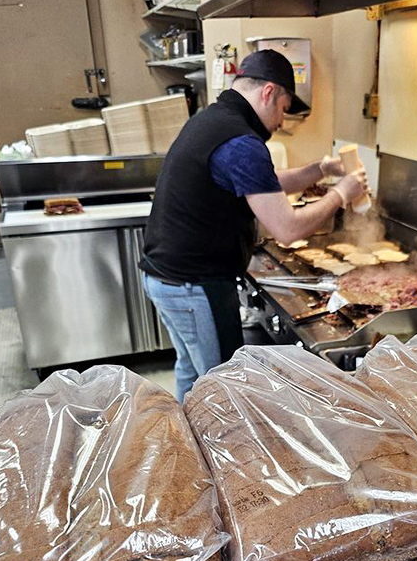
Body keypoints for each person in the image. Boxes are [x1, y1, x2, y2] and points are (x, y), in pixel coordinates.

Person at [140, 48, 368, 403]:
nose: (280, 122)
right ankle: (224, 453)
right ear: (268, 93)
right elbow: (287, 229)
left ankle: (187, 443)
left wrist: (319, 171)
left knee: (191, 370)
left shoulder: (216, 120)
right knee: (225, 388)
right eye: (283, 108)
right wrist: (341, 194)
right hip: (195, 285)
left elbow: (263, 181)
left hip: (166, 278)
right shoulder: (241, 141)